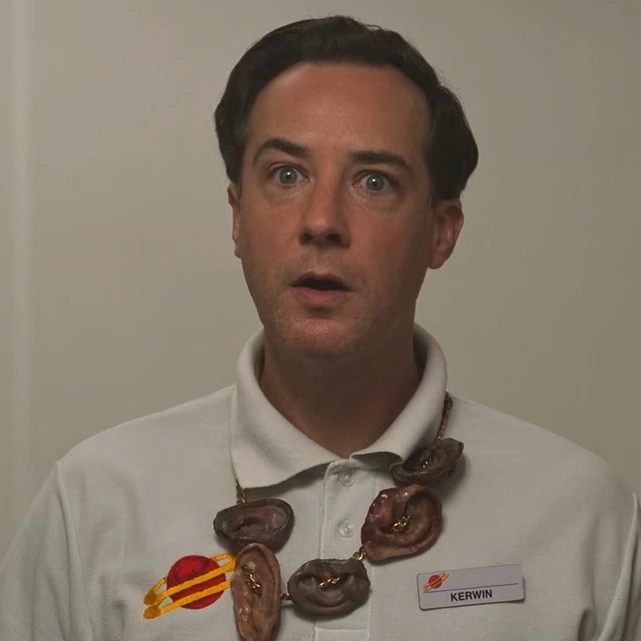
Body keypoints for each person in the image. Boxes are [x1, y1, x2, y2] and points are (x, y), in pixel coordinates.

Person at [0, 15, 639, 641]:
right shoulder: (95, 501)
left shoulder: (582, 516)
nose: (322, 221)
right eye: (287, 174)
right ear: (237, 216)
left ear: (440, 232)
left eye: (374, 181)